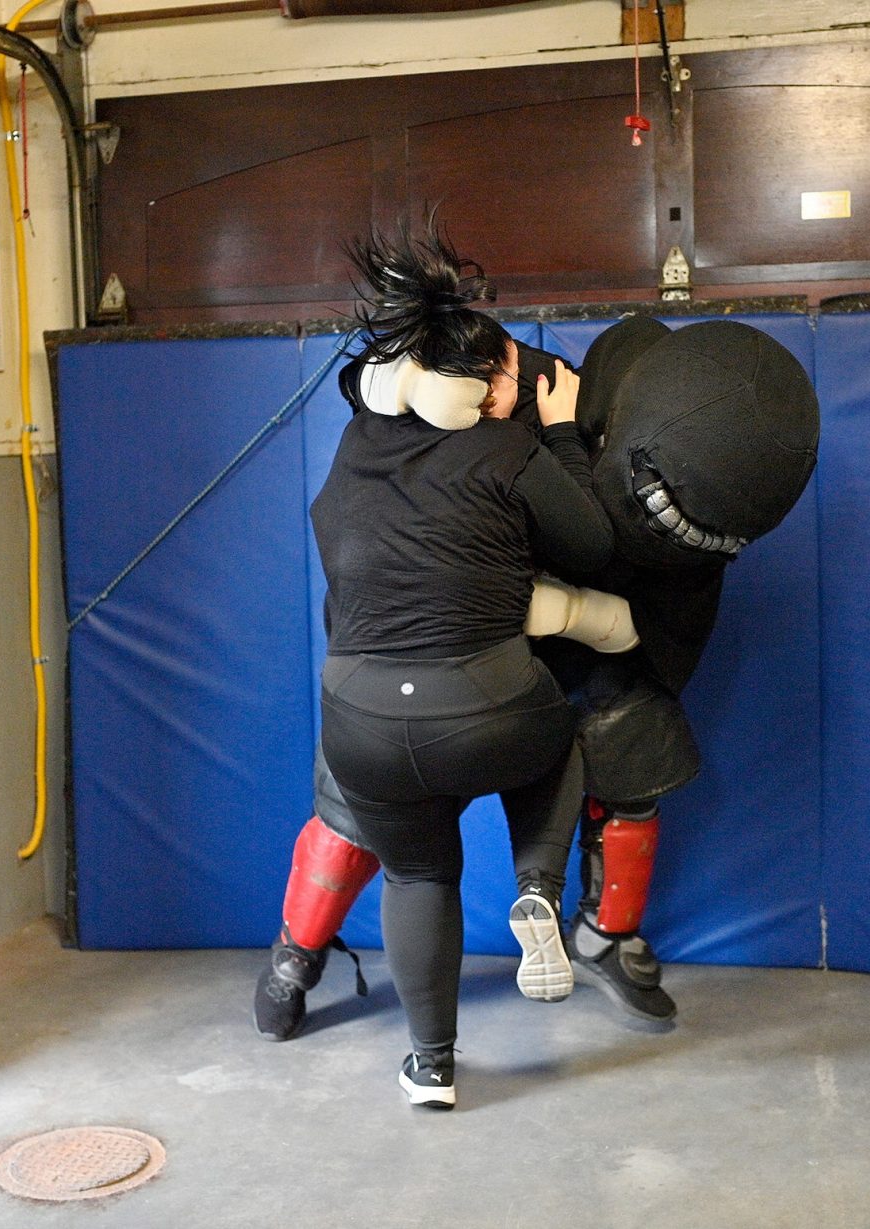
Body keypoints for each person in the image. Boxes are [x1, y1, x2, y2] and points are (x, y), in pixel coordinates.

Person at [257, 312, 820, 1036]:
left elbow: (654, 639)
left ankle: (601, 933)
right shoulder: (497, 384)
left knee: (637, 741)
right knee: (358, 800)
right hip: (435, 640)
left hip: (572, 648)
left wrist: (576, 621)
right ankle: (296, 950)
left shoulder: (697, 542)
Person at [305, 222, 614, 1108]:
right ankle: (539, 892)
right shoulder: (508, 446)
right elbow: (591, 545)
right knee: (553, 735)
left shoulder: (356, 442)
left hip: (358, 720)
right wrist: (559, 434)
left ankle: (431, 1064)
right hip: (482, 709)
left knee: (416, 873)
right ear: (484, 384)